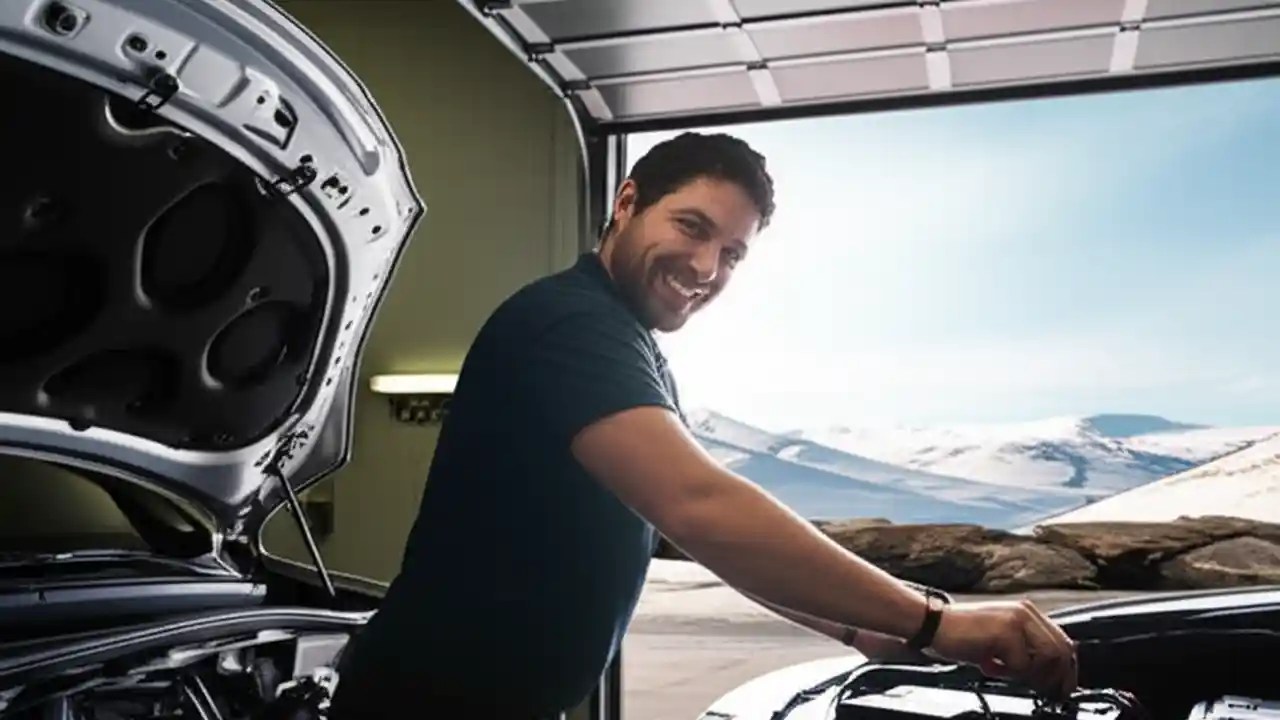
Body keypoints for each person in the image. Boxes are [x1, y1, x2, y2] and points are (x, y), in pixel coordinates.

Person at [328, 132, 1078, 719]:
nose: (706, 267)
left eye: (732, 254)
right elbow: (700, 506)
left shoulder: (627, 346)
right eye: (691, 226)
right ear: (627, 202)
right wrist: (935, 622)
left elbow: (689, 532)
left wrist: (857, 629)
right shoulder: (572, 324)